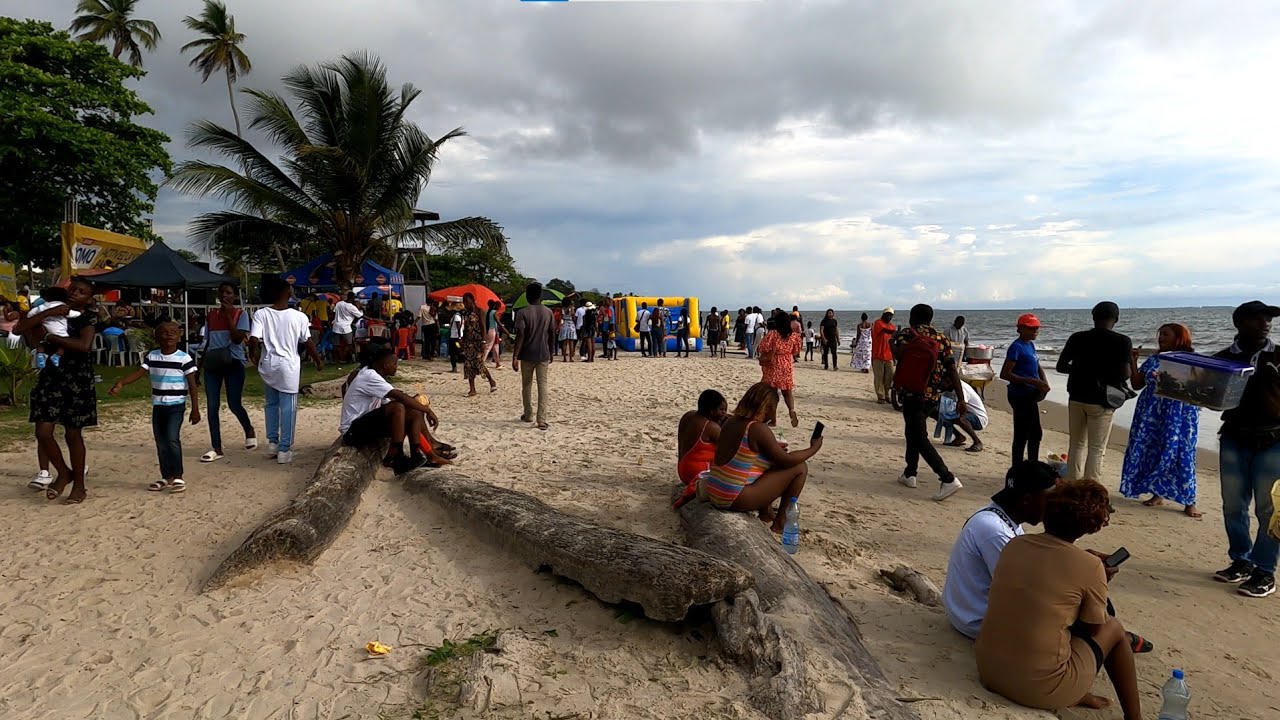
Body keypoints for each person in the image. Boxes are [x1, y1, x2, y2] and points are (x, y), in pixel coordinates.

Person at [977, 480, 1143, 720]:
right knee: (1114, 628)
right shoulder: (1090, 567)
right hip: (1037, 689)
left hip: (989, 670)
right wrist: (1099, 581)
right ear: (1091, 526)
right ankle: (1134, 717)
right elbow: (1093, 628)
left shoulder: (1015, 544)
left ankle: (1077, 688)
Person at [943, 461, 1058, 639]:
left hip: (966, 612)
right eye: (1050, 499)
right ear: (1027, 499)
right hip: (975, 621)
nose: (1054, 506)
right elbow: (1022, 590)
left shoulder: (999, 515)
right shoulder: (995, 531)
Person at [1212, 301, 1280, 598]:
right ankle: (1241, 559)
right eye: (1258, 318)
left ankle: (1265, 570)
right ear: (1239, 324)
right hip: (1234, 438)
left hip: (1274, 440)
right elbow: (1205, 392)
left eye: (1268, 318)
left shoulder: (1279, 355)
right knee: (1233, 505)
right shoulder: (1224, 358)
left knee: (1270, 509)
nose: (1265, 322)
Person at [697, 383, 823, 533]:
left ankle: (765, 513)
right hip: (732, 496)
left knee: (768, 466)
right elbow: (786, 461)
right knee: (800, 467)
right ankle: (780, 522)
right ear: (768, 408)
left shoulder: (732, 421)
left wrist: (772, 448)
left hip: (715, 489)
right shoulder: (757, 428)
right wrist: (813, 448)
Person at [16, 276, 97, 504]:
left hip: (76, 378)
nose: (74, 294)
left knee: (73, 434)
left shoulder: (86, 318)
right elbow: (22, 329)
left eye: (81, 292)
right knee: (43, 432)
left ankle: (78, 485)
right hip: (50, 377)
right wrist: (43, 316)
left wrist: (49, 337)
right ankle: (64, 472)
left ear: (88, 298)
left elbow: (84, 346)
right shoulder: (48, 310)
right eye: (73, 289)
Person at [1120, 323, 1201, 518]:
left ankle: (1190, 501)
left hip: (1179, 415)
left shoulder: (1190, 360)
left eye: (1166, 334)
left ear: (1179, 338)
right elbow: (1137, 384)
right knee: (1154, 449)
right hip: (1151, 414)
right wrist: (1133, 361)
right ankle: (1157, 493)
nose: (1161, 338)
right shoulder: (1156, 358)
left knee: (1181, 453)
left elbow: (1200, 387)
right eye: (1160, 334)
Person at [109, 321, 200, 493]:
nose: (169, 335)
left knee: (172, 439)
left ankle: (178, 476)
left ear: (179, 336)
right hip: (158, 405)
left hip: (176, 405)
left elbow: (193, 385)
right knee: (161, 442)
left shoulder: (184, 358)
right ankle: (166, 476)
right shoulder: (152, 356)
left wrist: (195, 409)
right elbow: (139, 373)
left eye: (173, 332)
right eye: (164, 332)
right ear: (157, 337)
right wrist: (121, 383)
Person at [890, 304, 964, 501]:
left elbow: (896, 356)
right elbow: (952, 369)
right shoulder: (941, 339)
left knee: (919, 437)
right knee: (912, 431)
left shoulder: (907, 335)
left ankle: (947, 478)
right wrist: (961, 398)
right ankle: (910, 473)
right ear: (931, 319)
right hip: (933, 396)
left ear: (912, 318)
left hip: (911, 393)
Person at [248, 275, 324, 465]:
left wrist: (254, 356)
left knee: (271, 404)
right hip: (288, 364)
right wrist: (317, 360)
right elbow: (307, 342)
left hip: (268, 363)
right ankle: (284, 449)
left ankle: (272, 442)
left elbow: (253, 339)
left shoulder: (261, 314)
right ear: (287, 293)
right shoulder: (298, 316)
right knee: (288, 407)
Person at [1057, 302, 1134, 481]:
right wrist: (1130, 360)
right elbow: (1125, 374)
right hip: (1102, 399)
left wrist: (1081, 370)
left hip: (1076, 396)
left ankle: (1071, 484)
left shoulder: (1077, 337)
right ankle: (1089, 488)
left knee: (1075, 444)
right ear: (1116, 319)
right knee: (1096, 449)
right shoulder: (1122, 341)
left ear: (1093, 317)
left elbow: (1061, 366)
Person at [339, 343, 438, 474]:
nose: (396, 367)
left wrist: (417, 405)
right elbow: (398, 398)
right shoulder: (369, 376)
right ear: (386, 365)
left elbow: (395, 399)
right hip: (352, 431)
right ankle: (396, 456)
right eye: (395, 364)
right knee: (398, 408)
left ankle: (416, 453)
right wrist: (428, 410)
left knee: (413, 410)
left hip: (364, 424)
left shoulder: (376, 376)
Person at [199, 282, 257, 463]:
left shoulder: (241, 314)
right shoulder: (211, 316)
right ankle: (216, 446)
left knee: (234, 403)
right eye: (222, 292)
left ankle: (248, 428)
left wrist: (229, 317)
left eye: (229, 293)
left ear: (234, 296)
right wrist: (198, 367)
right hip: (213, 363)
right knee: (212, 405)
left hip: (233, 362)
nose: (225, 296)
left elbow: (237, 338)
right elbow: (207, 342)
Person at [1002, 313, 1050, 465]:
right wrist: (1032, 381)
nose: (1035, 331)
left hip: (1030, 393)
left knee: (1032, 433)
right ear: (1021, 329)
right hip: (1020, 394)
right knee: (1027, 433)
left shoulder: (1030, 345)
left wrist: (1043, 381)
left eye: (1036, 328)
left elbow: (1037, 364)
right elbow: (1005, 373)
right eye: (1031, 328)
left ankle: (1030, 464)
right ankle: (1023, 466)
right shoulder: (1016, 347)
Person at [513, 282, 557, 430]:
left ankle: (528, 414)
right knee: (542, 385)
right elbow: (552, 334)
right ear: (540, 296)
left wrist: (515, 356)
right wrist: (551, 352)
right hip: (543, 353)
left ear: (527, 295)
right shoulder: (548, 312)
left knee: (527, 385)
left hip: (527, 354)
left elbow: (520, 336)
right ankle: (542, 419)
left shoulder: (522, 313)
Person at [758, 312, 803, 427]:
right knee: (787, 391)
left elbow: (762, 347)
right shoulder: (794, 336)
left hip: (773, 364)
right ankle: (791, 410)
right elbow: (796, 351)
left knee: (772, 394)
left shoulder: (773, 334)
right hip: (786, 364)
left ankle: (773, 420)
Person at [677, 389, 727, 490]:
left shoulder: (688, 415)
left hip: (682, 471)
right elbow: (729, 448)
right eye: (721, 410)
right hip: (698, 475)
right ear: (712, 411)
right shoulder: (711, 427)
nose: (724, 413)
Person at [936, 379, 987, 453]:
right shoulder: (951, 387)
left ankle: (977, 442)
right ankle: (959, 436)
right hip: (967, 413)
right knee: (937, 414)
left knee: (961, 419)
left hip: (978, 418)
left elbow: (962, 407)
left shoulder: (962, 387)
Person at [462, 293, 498, 397]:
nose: (465, 304)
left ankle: (491, 381)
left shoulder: (480, 311)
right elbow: (466, 328)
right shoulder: (467, 313)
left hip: (478, 342)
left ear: (473, 301)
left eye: (467, 302)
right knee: (468, 365)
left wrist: (483, 342)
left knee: (479, 363)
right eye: (464, 302)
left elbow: (483, 327)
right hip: (469, 343)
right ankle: (472, 389)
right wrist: (463, 340)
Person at [871, 309, 897, 402]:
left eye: (891, 315)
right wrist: (894, 332)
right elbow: (884, 330)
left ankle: (887, 394)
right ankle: (881, 396)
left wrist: (894, 356)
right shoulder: (878, 323)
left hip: (888, 355)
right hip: (878, 354)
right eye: (887, 314)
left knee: (889, 376)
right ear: (883, 314)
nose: (889, 317)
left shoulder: (892, 326)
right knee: (879, 377)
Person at [332, 292, 363, 364]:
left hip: (336, 326)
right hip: (346, 328)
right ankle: (347, 358)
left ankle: (336, 359)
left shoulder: (339, 303)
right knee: (349, 344)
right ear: (353, 298)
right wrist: (371, 319)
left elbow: (334, 313)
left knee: (336, 345)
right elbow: (360, 316)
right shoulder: (351, 307)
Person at [557, 298, 577, 362]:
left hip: (564, 324)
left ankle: (564, 358)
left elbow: (561, 319)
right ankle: (571, 358)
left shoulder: (562, 309)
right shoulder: (572, 309)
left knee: (564, 343)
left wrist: (559, 327)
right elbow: (574, 317)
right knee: (571, 343)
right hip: (571, 325)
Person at [447, 303, 464, 372]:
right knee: (457, 350)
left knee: (452, 352)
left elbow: (458, 328)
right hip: (457, 338)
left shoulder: (456, 317)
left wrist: (459, 337)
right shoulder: (459, 316)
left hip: (455, 338)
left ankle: (454, 367)